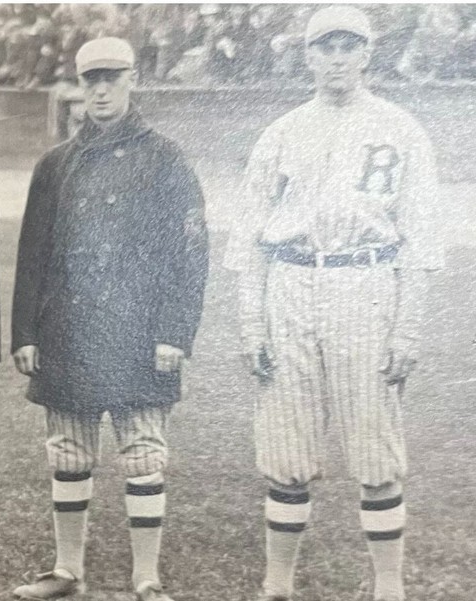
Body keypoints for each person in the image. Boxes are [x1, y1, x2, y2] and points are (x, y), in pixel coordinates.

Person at [224, 7, 442, 601]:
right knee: (286, 445)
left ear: (368, 54)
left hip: (366, 286)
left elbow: (421, 240)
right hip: (291, 286)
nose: (339, 58)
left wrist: (408, 332)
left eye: (350, 47)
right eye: (327, 47)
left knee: (374, 444)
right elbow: (248, 239)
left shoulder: (401, 128)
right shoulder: (282, 131)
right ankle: (278, 583)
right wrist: (251, 327)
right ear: (308, 55)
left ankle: (389, 586)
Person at [11, 38, 209, 601]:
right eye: (91, 79)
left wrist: (176, 330)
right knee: (69, 452)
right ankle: (67, 569)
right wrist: (24, 331)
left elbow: (189, 253)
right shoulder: (56, 164)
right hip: (68, 328)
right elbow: (33, 254)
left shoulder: (165, 157)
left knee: (143, 451)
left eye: (112, 78)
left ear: (132, 80)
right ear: (79, 85)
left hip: (140, 330)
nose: (100, 90)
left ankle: (146, 575)